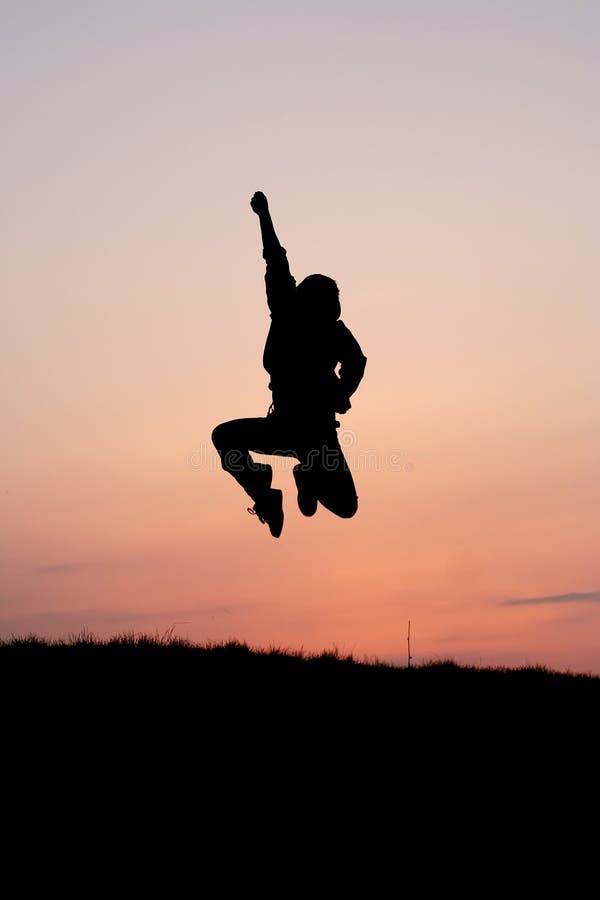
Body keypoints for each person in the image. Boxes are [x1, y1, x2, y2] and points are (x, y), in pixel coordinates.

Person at [212, 191, 367, 538]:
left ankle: (305, 476)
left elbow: (356, 362)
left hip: (315, 434)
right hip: (285, 427)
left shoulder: (332, 331)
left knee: (346, 506)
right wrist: (264, 216)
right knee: (224, 437)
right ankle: (266, 495)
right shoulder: (288, 310)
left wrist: (342, 392)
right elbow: (275, 258)